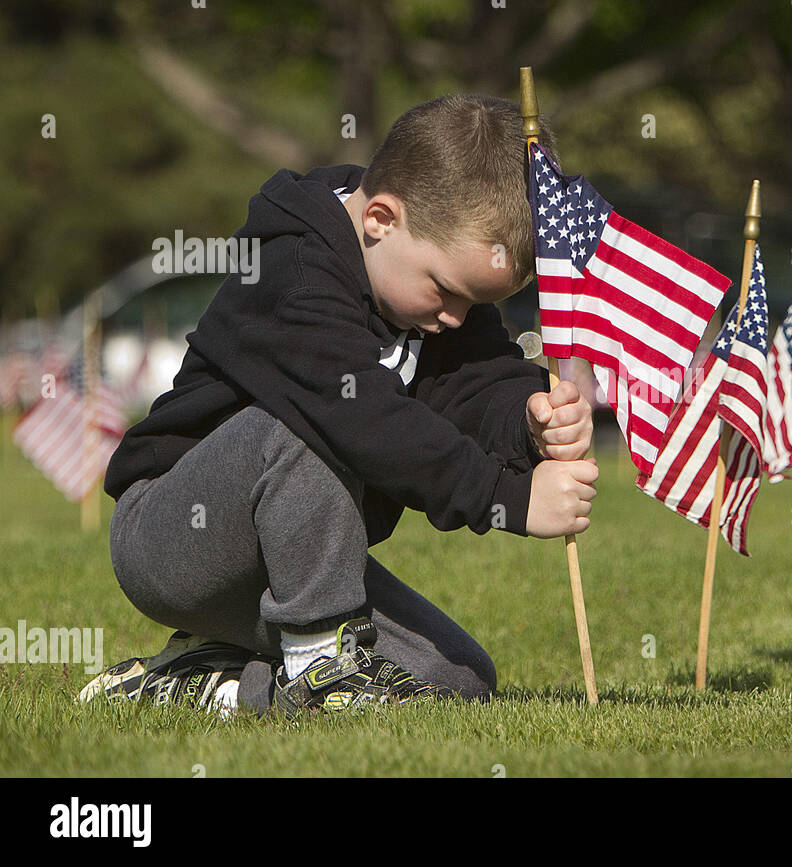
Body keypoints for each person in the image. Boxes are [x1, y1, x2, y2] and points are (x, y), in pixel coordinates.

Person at [78, 94, 598, 717]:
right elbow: (364, 422)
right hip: (171, 539)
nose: (456, 318)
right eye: (446, 292)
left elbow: (474, 378)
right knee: (307, 424)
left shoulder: (424, 281)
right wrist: (510, 498)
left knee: (458, 677)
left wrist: (527, 420)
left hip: (291, 561)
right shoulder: (291, 272)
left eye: (472, 304)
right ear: (381, 218)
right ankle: (320, 658)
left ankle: (204, 683)